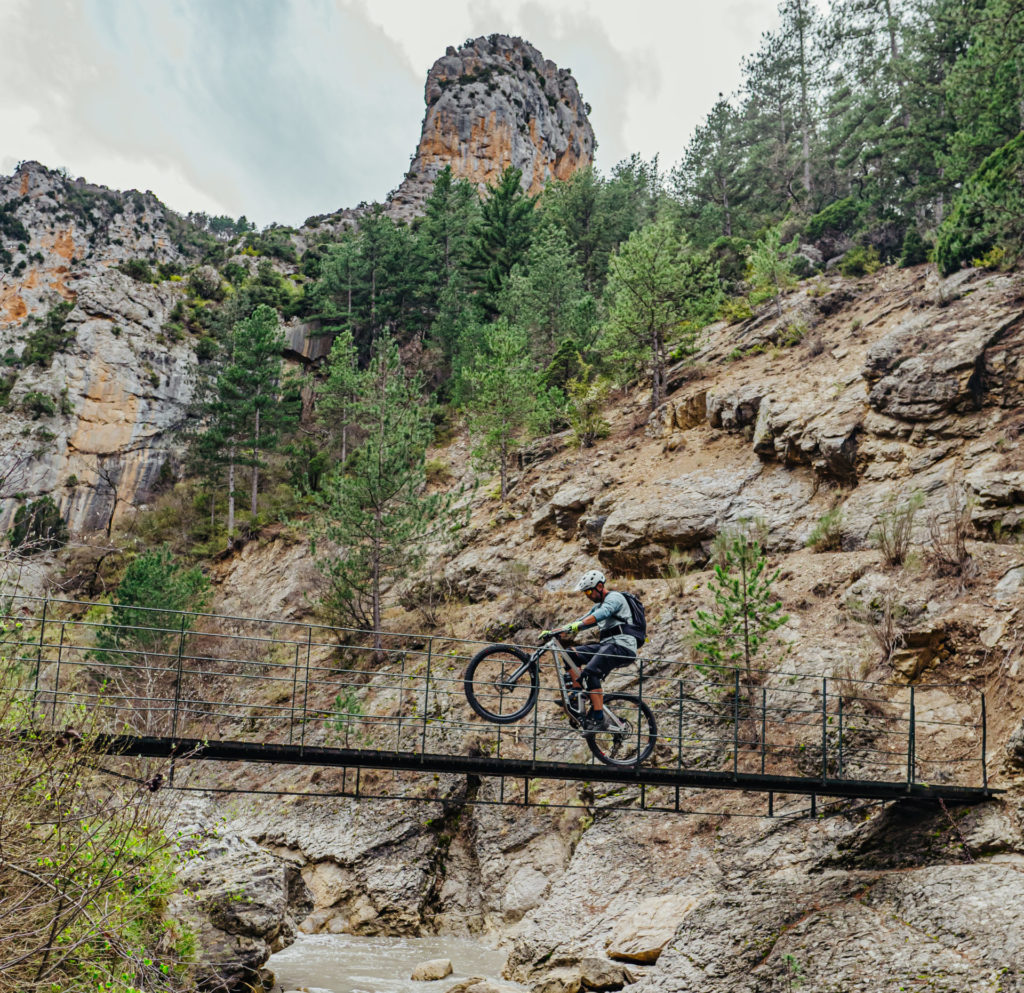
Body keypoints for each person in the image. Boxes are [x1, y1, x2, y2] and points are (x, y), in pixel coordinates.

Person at [540, 569, 638, 731]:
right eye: (585, 592)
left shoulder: (615, 598)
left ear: (599, 586)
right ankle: (576, 695)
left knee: (591, 671)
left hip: (622, 647)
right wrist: (556, 632)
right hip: (607, 646)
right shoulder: (598, 606)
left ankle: (598, 717)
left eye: (589, 591)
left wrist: (578, 625)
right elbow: (581, 621)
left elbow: (603, 613)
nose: (587, 595)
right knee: (571, 654)